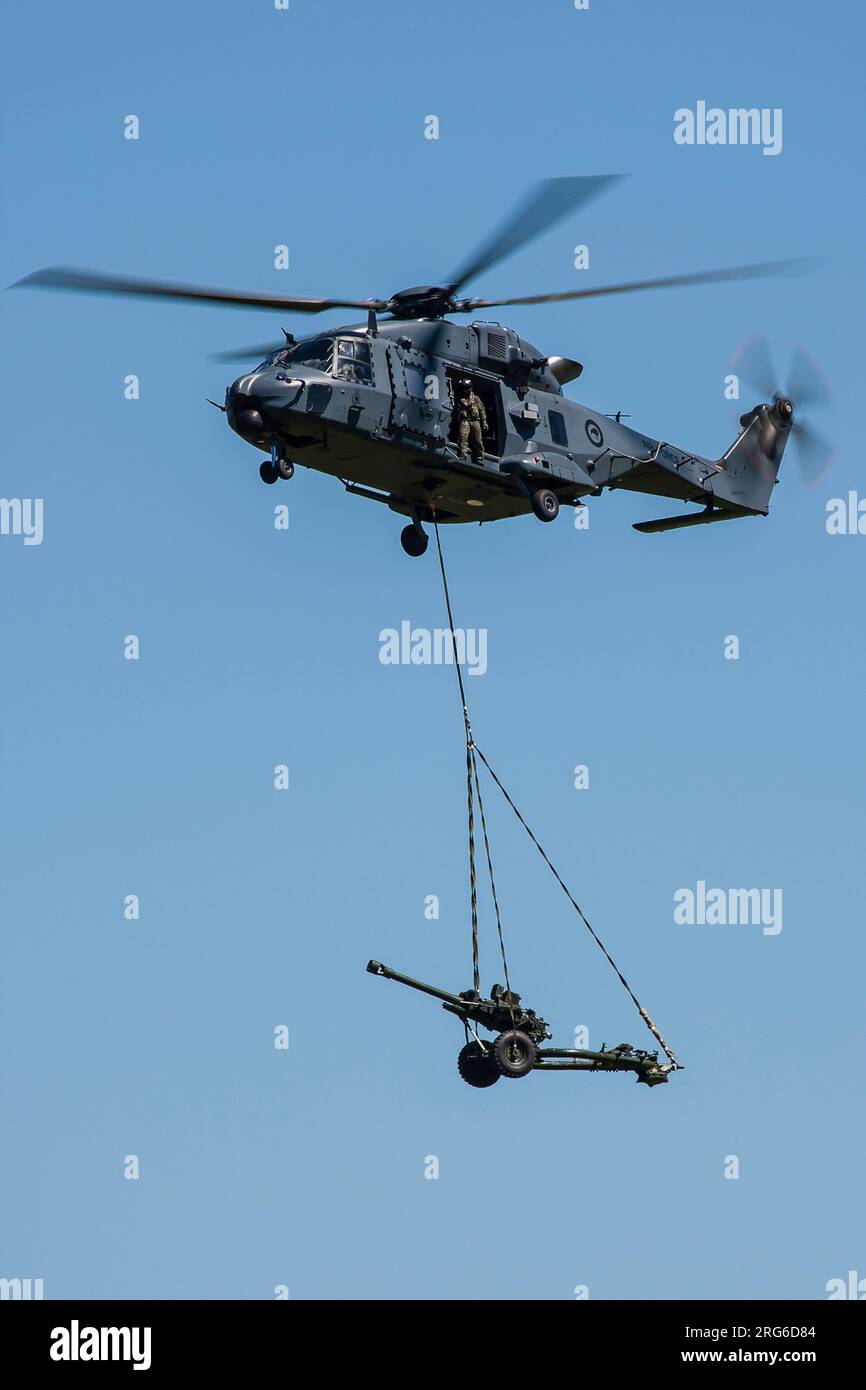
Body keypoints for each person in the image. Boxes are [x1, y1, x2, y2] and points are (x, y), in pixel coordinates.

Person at [454, 377, 487, 462]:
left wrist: (484, 422)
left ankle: (479, 459)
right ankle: (462, 456)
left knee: (478, 441)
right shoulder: (459, 398)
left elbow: (482, 410)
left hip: (475, 421)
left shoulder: (476, 398)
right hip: (465, 421)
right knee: (462, 438)